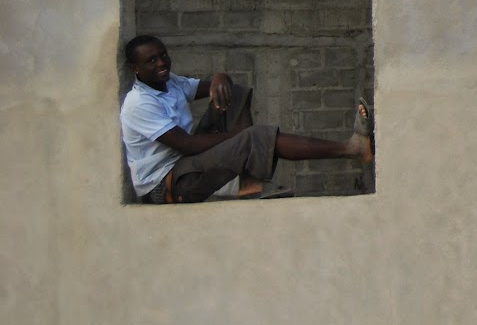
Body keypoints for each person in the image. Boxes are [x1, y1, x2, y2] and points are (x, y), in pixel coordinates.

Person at [120, 35, 372, 203]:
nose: (161, 63)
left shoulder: (168, 81)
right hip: (168, 185)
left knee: (234, 94)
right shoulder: (139, 103)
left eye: (163, 55)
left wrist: (220, 77)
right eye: (151, 60)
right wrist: (237, 139)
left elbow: (214, 87)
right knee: (254, 136)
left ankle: (246, 169)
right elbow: (185, 144)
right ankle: (351, 149)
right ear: (135, 68)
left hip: (188, 164)